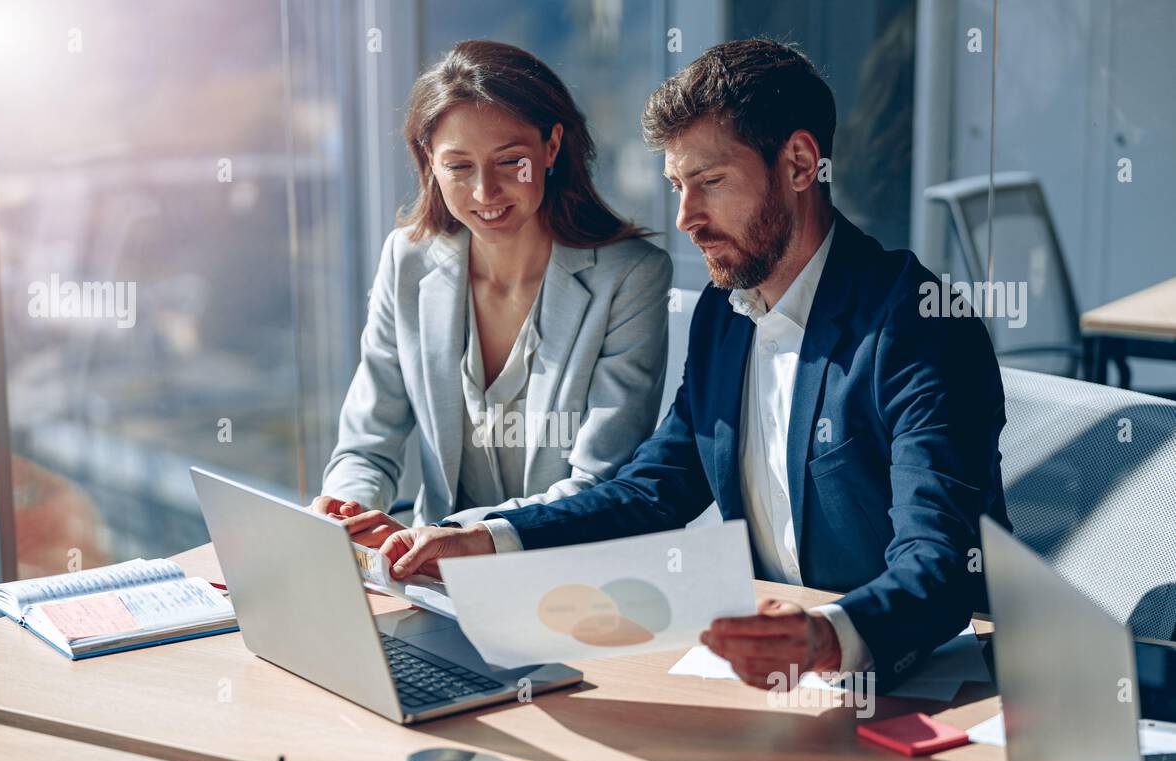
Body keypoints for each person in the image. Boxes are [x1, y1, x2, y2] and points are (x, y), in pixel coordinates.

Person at [380, 39, 1010, 693]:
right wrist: (485, 539)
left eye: (710, 182)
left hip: (929, 679)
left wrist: (829, 636)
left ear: (798, 164)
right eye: (678, 186)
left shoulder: (918, 326)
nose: (685, 218)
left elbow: (941, 563)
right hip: (782, 676)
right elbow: (652, 492)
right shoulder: (724, 314)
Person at [313, 40, 672, 544]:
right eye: (459, 167)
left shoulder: (631, 276)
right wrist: (345, 508)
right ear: (429, 161)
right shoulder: (407, 261)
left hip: (563, 568)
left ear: (551, 147)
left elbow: (599, 481)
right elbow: (366, 447)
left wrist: (459, 536)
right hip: (430, 574)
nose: (485, 193)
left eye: (510, 162)